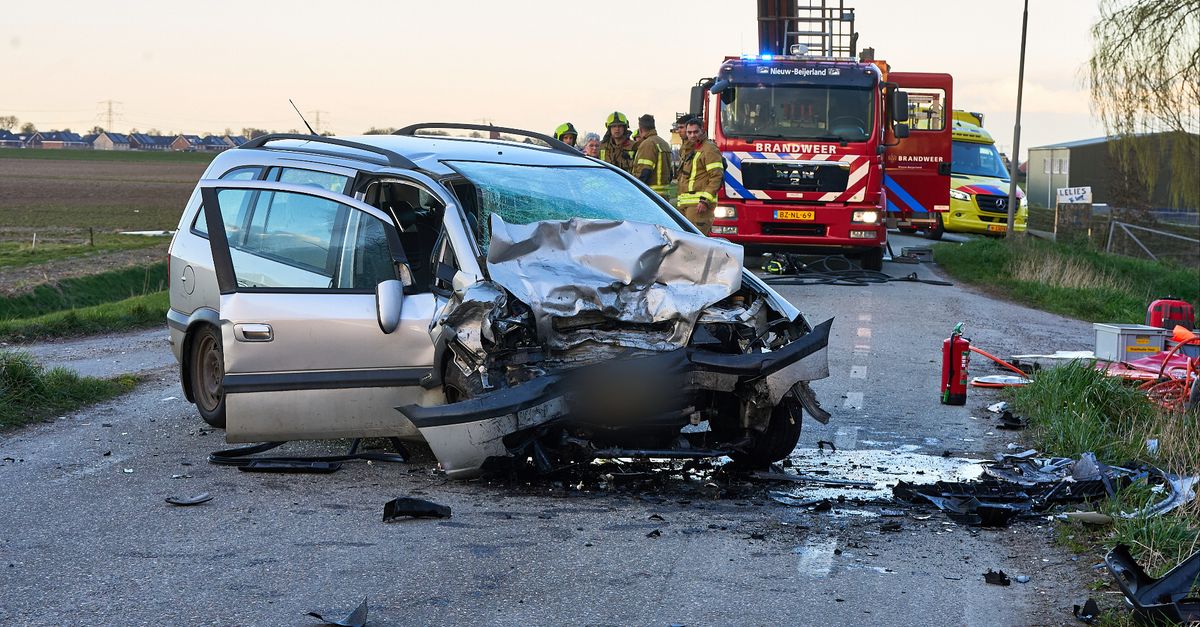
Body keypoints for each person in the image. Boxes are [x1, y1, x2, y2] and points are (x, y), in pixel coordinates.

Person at [676, 117, 723, 235]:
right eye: (689, 132)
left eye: (695, 132)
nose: (692, 135)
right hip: (685, 204)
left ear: (702, 130)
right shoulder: (688, 149)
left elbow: (716, 177)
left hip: (699, 206)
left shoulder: (709, 149)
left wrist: (705, 201)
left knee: (696, 241)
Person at [631, 114, 672, 198]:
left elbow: (644, 172)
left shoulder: (648, 144)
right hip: (664, 195)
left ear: (640, 129)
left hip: (650, 195)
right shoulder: (664, 143)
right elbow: (671, 173)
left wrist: (635, 189)